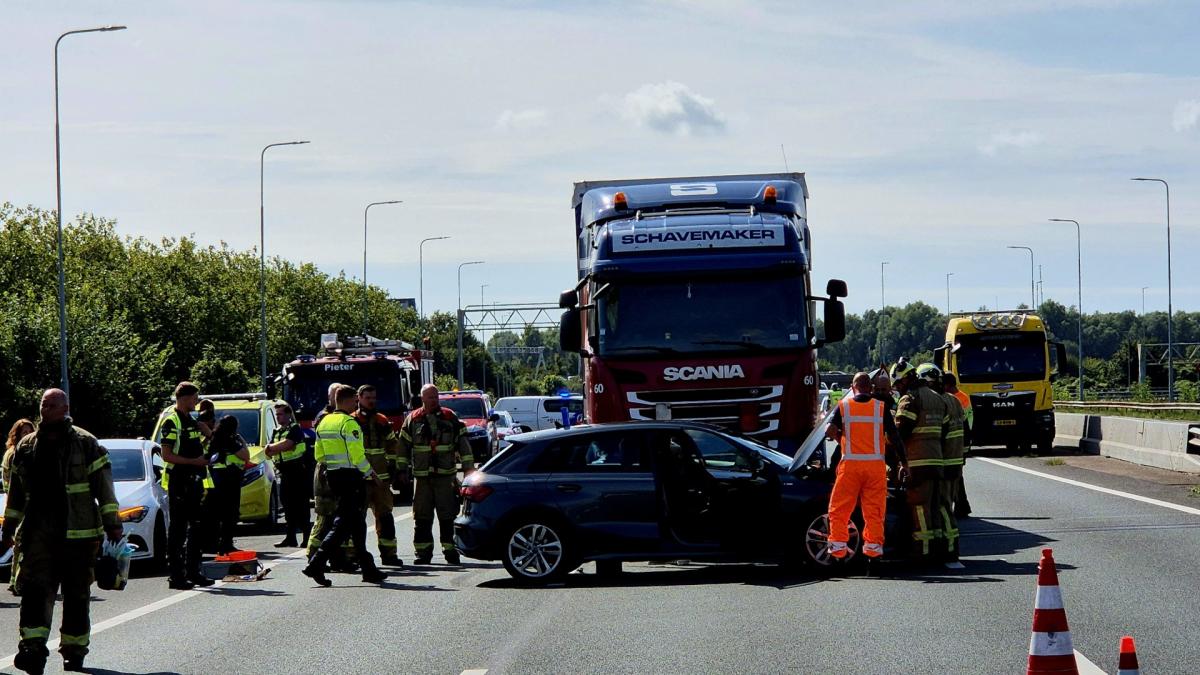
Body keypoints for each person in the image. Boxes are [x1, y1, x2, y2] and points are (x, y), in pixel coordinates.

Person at [0, 389, 122, 674]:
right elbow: (16, 496)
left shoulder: (85, 443)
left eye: (53, 404)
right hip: (38, 535)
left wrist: (113, 525)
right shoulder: (27, 446)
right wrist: (7, 531)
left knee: (77, 595)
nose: (46, 408)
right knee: (34, 592)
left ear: (65, 407)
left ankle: (74, 650)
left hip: (78, 536)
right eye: (44, 404)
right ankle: (32, 649)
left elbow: (104, 488)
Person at [302, 385, 387, 587]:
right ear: (349, 401)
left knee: (356, 522)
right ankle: (316, 564)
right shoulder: (350, 423)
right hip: (351, 477)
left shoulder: (324, 422)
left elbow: (319, 455)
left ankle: (368, 569)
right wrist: (371, 474)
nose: (356, 404)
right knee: (343, 523)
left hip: (332, 475)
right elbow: (357, 456)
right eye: (355, 401)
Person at [824, 372, 905, 560]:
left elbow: (829, 429)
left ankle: (838, 551)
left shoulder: (843, 407)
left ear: (853, 388)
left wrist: (842, 440)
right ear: (871, 389)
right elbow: (895, 438)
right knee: (875, 512)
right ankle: (873, 553)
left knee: (839, 509)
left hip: (850, 466)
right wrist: (904, 463)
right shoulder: (881, 407)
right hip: (875, 468)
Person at [398, 384, 475, 565]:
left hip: (445, 477)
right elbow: (402, 447)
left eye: (435, 397)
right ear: (422, 399)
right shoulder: (413, 419)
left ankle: (450, 552)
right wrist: (401, 471)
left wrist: (468, 468)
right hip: (422, 478)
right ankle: (423, 554)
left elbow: (463, 445)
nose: (434, 400)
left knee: (447, 515)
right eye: (430, 397)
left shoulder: (450, 418)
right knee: (422, 517)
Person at [159, 382, 214, 590]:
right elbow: (167, 455)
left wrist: (207, 433)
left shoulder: (191, 421)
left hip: (194, 481)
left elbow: (198, 447)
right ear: (184, 398)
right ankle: (176, 576)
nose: (197, 402)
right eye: (194, 398)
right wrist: (194, 462)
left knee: (197, 528)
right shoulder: (172, 422)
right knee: (178, 531)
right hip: (179, 482)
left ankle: (194, 571)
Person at [892, 361, 948, 565]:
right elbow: (945, 429)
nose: (898, 389)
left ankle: (922, 553)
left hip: (917, 462)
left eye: (898, 384)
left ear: (906, 378)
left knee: (918, 508)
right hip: (936, 461)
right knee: (934, 508)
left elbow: (900, 433)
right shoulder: (936, 397)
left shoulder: (910, 399)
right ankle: (939, 550)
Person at [354, 385, 402, 566]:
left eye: (373, 397)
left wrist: (393, 468)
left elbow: (392, 446)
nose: (371, 401)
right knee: (357, 519)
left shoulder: (382, 421)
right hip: (360, 479)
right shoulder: (351, 421)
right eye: (368, 397)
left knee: (385, 517)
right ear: (359, 398)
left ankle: (389, 555)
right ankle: (353, 556)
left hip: (380, 480)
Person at [264, 402, 311, 549]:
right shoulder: (277, 431)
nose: (278, 417)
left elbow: (287, 444)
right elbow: (270, 451)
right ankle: (290, 538)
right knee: (288, 506)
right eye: (277, 414)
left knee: (301, 506)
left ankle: (307, 537)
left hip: (298, 472)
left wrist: (271, 447)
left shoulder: (295, 428)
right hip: (284, 472)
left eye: (281, 414)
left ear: (289, 414)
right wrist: (271, 448)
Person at [931, 373, 965, 568]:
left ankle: (950, 549)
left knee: (943, 507)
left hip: (944, 462)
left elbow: (939, 434)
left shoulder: (940, 403)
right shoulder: (955, 401)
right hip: (956, 462)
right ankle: (948, 548)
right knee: (947, 505)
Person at [207, 415, 250, 556]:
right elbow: (245, 455)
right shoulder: (230, 440)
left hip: (216, 478)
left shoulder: (214, 438)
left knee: (217, 513)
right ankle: (226, 545)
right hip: (228, 478)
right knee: (230, 514)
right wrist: (241, 439)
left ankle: (215, 543)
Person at [944, 373, 973, 518]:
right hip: (962, 440)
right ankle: (962, 505)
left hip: (958, 441)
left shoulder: (958, 399)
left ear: (949, 385)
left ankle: (962, 505)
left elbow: (966, 420)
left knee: (956, 476)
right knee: (957, 476)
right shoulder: (964, 396)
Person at [3, 419, 35, 493]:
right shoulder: (14, 454)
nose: (29, 435)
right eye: (25, 432)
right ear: (17, 435)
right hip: (16, 498)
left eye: (31, 432)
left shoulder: (13, 450)